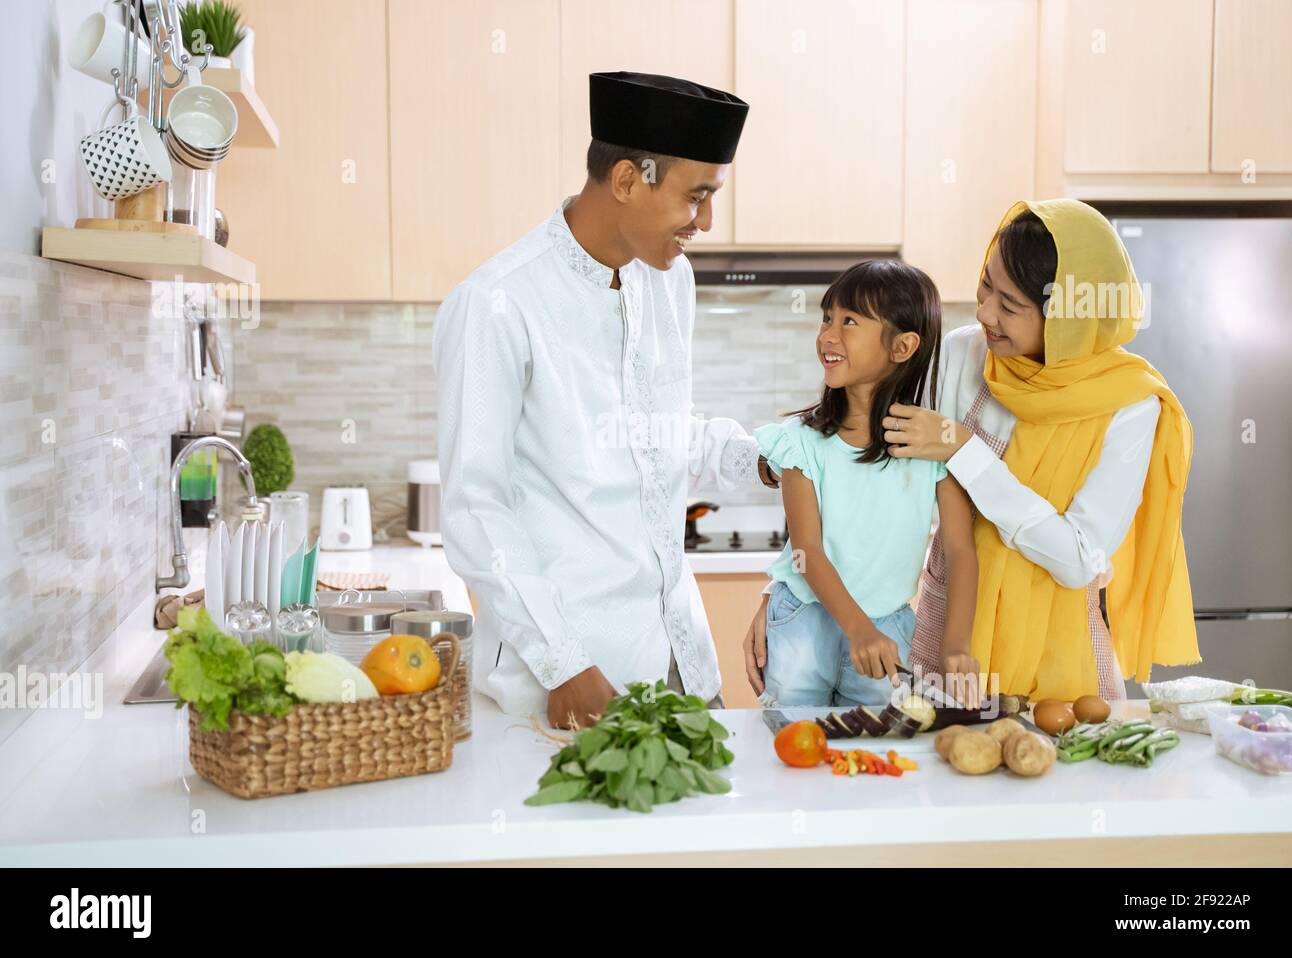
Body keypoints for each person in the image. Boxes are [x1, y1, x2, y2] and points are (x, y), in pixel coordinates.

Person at [749, 199, 1200, 703]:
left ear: (1067, 317)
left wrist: (962, 448)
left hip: (1059, 642)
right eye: (987, 284)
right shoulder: (963, 354)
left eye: (1010, 305)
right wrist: (789, 598)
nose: (985, 312)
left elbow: (1078, 559)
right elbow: (855, 477)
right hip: (948, 628)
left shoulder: (1131, 404)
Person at [434, 72, 778, 729]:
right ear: (626, 181)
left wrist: (759, 459)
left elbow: (660, 436)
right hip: (572, 686)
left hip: (685, 667)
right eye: (697, 197)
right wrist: (565, 664)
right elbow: (476, 509)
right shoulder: (496, 305)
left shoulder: (670, 281)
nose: (704, 221)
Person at [752, 260, 980, 709]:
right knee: (795, 750)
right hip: (804, 621)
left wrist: (956, 645)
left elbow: (960, 550)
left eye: (849, 321)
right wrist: (858, 630)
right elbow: (807, 553)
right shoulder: (800, 444)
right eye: (826, 318)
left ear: (902, 346)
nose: (827, 336)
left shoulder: (933, 446)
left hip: (888, 630)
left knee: (882, 760)